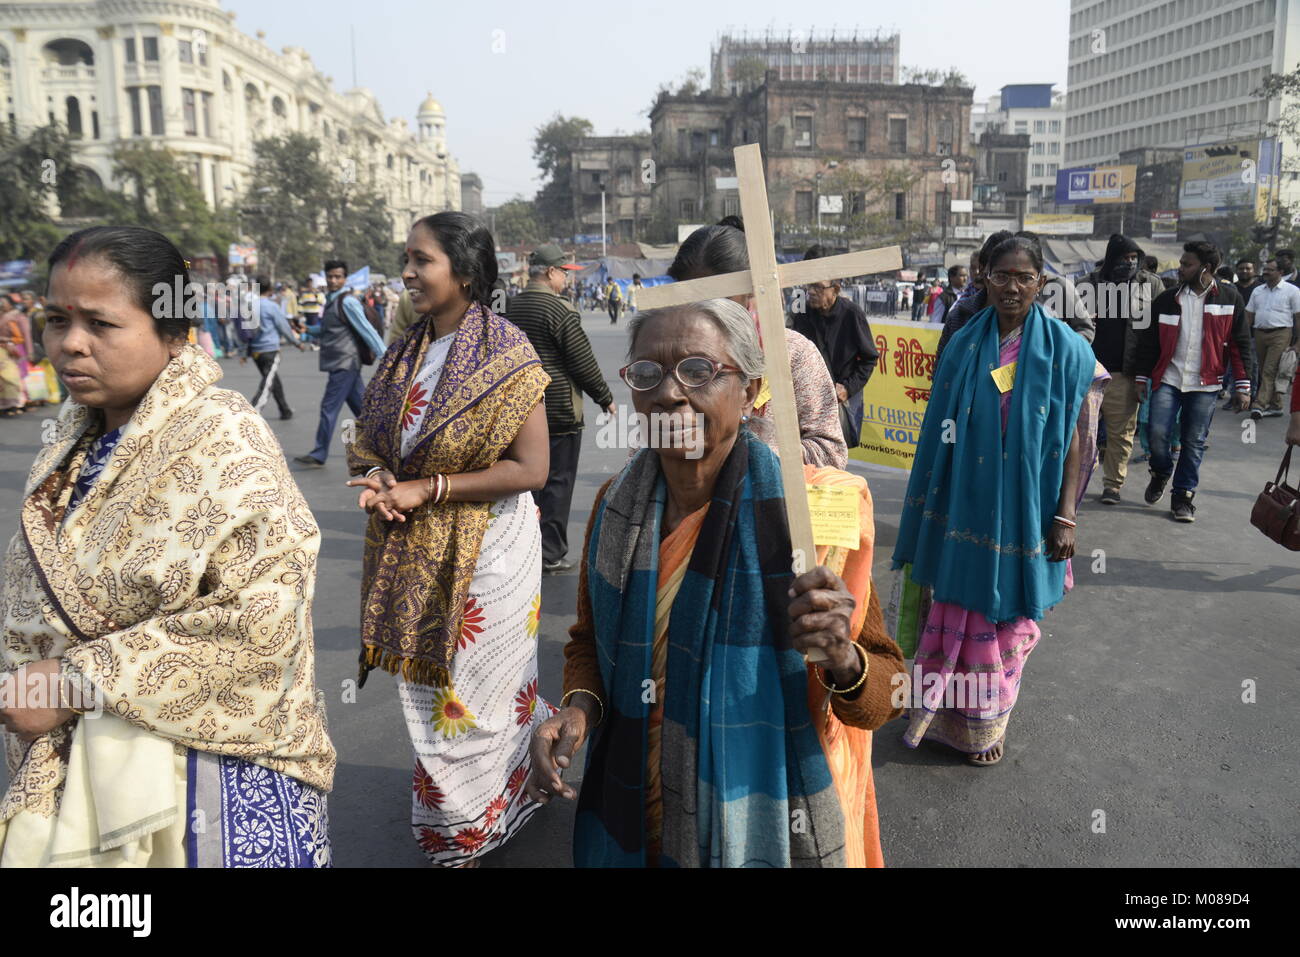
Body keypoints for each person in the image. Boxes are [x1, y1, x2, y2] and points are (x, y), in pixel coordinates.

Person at [525, 298, 907, 867]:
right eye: (648, 374)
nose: (670, 393)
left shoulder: (808, 514)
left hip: (757, 808)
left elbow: (888, 694)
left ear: (751, 390)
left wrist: (843, 660)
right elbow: (587, 642)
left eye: (699, 372)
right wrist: (577, 710)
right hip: (638, 798)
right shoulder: (614, 510)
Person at [0, 225, 335, 866]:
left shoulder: (223, 439)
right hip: (74, 764)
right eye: (56, 320)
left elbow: (262, 623)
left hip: (206, 779)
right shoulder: (69, 440)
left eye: (101, 323)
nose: (70, 344)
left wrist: (71, 684)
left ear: (174, 332)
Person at [345, 212, 553, 867]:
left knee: (480, 691)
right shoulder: (404, 348)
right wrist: (379, 475)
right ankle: (461, 816)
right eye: (405, 258)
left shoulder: (507, 350)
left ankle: (479, 817)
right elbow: (372, 439)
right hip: (419, 549)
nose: (406, 271)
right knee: (441, 698)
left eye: (421, 260)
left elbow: (531, 469)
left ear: (463, 272)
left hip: (490, 549)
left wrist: (428, 488)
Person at [892, 236, 1096, 766]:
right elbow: (941, 426)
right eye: (1002, 275)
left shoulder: (1066, 351)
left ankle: (989, 725)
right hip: (964, 502)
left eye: (1024, 277)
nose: (1012, 287)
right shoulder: (963, 343)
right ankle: (938, 717)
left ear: (1042, 284)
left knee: (1008, 622)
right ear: (984, 277)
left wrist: (1065, 515)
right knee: (956, 606)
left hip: (1026, 508)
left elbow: (1074, 434)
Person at [668, 223, 847, 468]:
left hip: (776, 503)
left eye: (720, 302)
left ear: (752, 294)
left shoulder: (794, 354)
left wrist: (742, 460)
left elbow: (830, 452)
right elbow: (646, 450)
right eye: (694, 302)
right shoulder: (666, 358)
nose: (705, 315)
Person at [506, 243, 614, 574]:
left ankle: (524, 547)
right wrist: (604, 397)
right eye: (565, 273)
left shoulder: (511, 307)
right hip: (558, 411)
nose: (567, 280)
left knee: (526, 482)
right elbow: (581, 361)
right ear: (551, 272)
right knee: (557, 483)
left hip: (519, 411)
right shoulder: (559, 310)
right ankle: (550, 551)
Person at [1133, 241, 1252, 522]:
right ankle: (1161, 471)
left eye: (1187, 264)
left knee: (1193, 441)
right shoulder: (1166, 299)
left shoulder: (1230, 298)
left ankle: (1183, 497)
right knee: (1156, 433)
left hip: (1206, 384)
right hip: (1169, 378)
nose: (1180, 268)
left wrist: (1243, 386)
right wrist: (1141, 378)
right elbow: (1148, 342)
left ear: (1206, 268)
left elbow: (1241, 345)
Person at [1077, 234, 1163, 504]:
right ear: (1111, 258)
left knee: (1121, 433)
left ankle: (1112, 485)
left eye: (1134, 258)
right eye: (1124, 258)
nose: (1129, 263)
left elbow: (1158, 330)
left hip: (1125, 372)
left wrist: (1146, 373)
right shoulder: (1087, 285)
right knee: (1080, 433)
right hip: (1089, 372)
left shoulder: (1151, 285)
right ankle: (1073, 483)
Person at [294, 259, 385, 468]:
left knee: (328, 408)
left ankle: (319, 453)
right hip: (340, 362)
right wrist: (308, 330)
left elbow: (366, 330)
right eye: (331, 276)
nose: (334, 280)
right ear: (325, 277)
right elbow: (329, 330)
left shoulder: (347, 302)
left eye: (338, 276)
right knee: (364, 410)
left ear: (345, 278)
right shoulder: (331, 299)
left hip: (345, 362)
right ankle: (388, 445)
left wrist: (386, 357)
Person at [791, 245, 879, 450]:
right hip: (806, 403)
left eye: (817, 287)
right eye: (808, 286)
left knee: (832, 462)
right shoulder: (802, 313)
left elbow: (869, 359)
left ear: (836, 289)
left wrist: (847, 388)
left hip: (838, 402)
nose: (811, 292)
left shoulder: (852, 314)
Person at [244, 274, 305, 420]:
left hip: (255, 351)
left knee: (272, 379)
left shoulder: (250, 306)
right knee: (267, 383)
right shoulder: (272, 306)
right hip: (269, 349)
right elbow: (283, 327)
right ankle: (252, 413)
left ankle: (285, 410)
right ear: (270, 289)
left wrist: (244, 351)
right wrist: (296, 343)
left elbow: (247, 330)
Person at [1245, 258, 1300, 420]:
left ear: (1281, 273)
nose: (1266, 272)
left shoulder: (1292, 291)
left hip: (1281, 333)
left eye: (1270, 269)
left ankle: (1259, 405)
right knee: (1265, 370)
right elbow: (1249, 315)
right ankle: (1276, 405)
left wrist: (1298, 344)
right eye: (1265, 269)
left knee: (1269, 370)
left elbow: (1298, 318)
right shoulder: (1258, 291)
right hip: (1259, 333)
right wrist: (1243, 338)